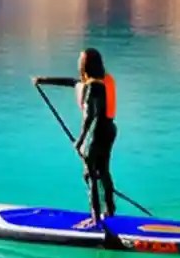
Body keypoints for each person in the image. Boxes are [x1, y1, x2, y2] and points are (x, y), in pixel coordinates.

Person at [33, 48, 118, 223]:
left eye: (81, 60)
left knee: (90, 174)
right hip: (109, 129)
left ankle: (95, 219)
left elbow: (90, 115)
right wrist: (43, 81)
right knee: (103, 171)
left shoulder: (93, 87)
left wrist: (80, 142)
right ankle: (110, 210)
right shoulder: (102, 81)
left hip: (97, 132)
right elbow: (73, 82)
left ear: (85, 65)